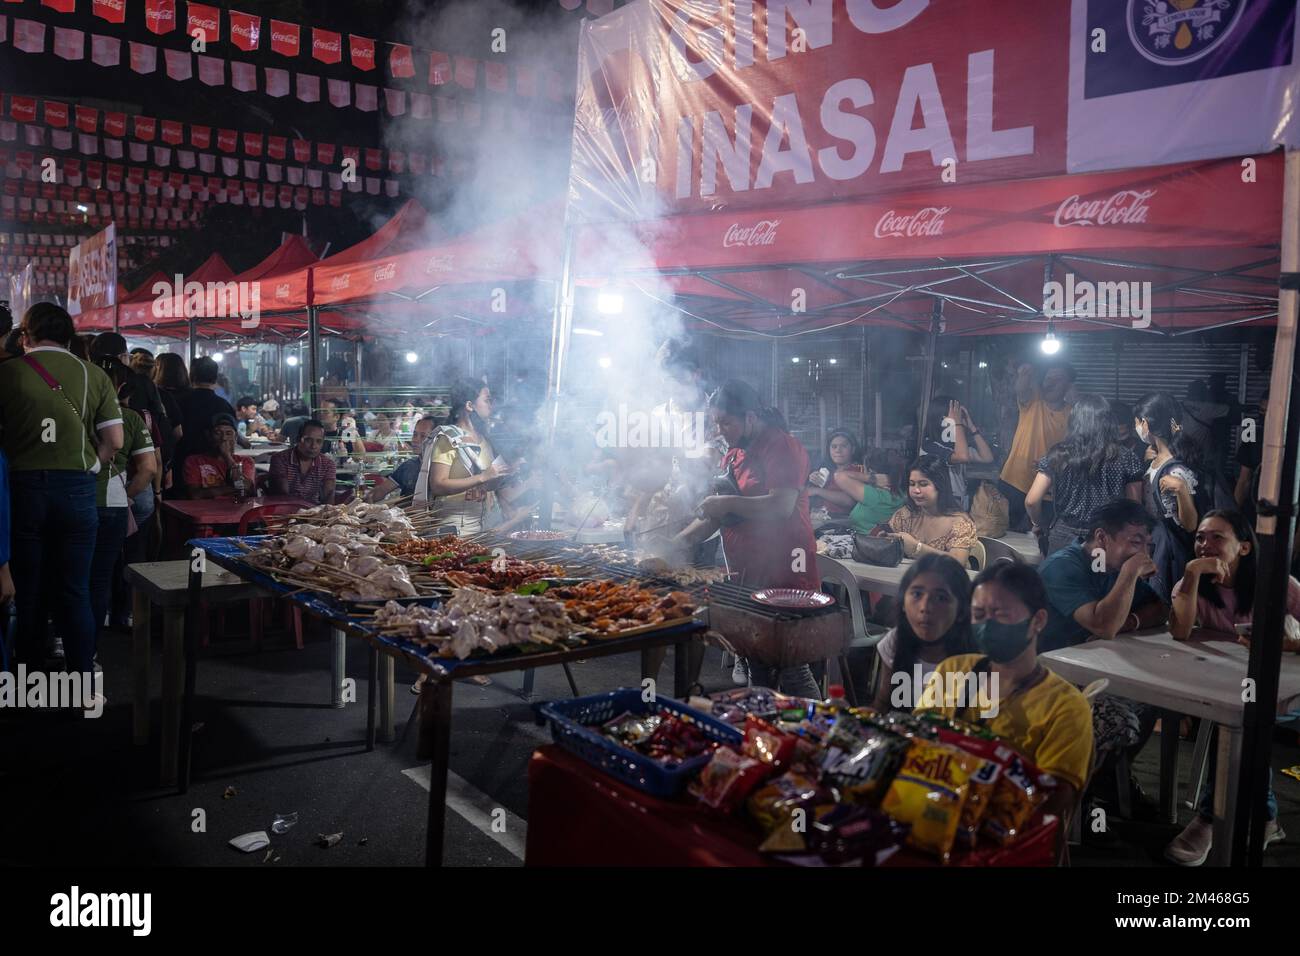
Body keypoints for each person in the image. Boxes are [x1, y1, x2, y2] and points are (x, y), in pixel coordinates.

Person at [918, 562, 1094, 845]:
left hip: (1000, 840)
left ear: (1038, 620)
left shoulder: (1065, 707)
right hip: (931, 818)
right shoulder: (952, 671)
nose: (987, 625)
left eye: (1000, 614)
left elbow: (1053, 799)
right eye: (978, 615)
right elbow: (918, 739)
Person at [672, 380, 820, 698]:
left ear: (750, 417)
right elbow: (715, 516)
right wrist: (673, 544)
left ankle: (820, 734)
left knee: (791, 664)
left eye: (726, 422)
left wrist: (725, 503)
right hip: (747, 573)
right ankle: (764, 732)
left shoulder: (782, 446)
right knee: (756, 660)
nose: (720, 430)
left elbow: (781, 506)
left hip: (786, 569)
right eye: (716, 423)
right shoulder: (735, 455)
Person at [1163, 509, 1293, 864]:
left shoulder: (1276, 582)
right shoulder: (1194, 583)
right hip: (1224, 683)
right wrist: (1190, 574)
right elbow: (1179, 631)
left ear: (1245, 548)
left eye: (1218, 537)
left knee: (1241, 725)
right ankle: (1264, 818)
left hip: (1282, 687)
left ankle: (1209, 818)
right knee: (1238, 720)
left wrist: (1281, 643)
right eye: (1201, 537)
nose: (1205, 545)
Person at [0, 303, 123, 676]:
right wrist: (95, 464)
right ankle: (81, 680)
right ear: (69, 336)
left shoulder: (7, 373)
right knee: (75, 592)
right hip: (77, 490)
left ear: (26, 335)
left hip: (23, 491)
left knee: (28, 591)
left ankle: (30, 679)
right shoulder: (92, 375)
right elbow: (114, 439)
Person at [1026, 393, 1145, 557]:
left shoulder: (1059, 454)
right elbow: (1134, 507)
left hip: (1063, 537)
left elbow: (1032, 500)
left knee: (1061, 580)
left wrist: (1040, 523)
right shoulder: (1126, 457)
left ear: (1074, 422)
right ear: (1109, 422)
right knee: (1096, 580)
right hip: (1104, 539)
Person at [871, 553, 974, 711]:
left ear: (961, 610)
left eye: (941, 598)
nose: (925, 607)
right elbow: (884, 704)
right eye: (917, 594)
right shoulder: (896, 640)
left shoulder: (976, 656)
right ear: (903, 603)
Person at [88, 404, 155, 645]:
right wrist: (126, 494)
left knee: (69, 577)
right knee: (100, 578)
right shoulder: (130, 417)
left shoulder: (74, 408)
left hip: (69, 500)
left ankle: (60, 639)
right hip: (112, 504)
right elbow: (149, 468)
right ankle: (89, 649)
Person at [1135, 392, 1209, 602]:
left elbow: (1190, 524)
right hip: (1156, 542)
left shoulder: (1176, 470)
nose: (1136, 428)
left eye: (1137, 423)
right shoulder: (1155, 457)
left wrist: (1182, 491)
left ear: (1146, 425)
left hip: (1169, 548)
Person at [417, 379, 513, 534]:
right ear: (469, 406)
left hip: (482, 523)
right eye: (487, 400)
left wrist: (500, 475)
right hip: (453, 526)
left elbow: (487, 485)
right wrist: (482, 477)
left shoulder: (484, 440)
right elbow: (437, 485)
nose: (491, 405)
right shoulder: (448, 438)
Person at [999, 362, 1075, 532]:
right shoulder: (1033, 402)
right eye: (1048, 378)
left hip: (1049, 488)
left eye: (1058, 379)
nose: (1051, 382)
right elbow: (1021, 389)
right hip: (1015, 482)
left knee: (1041, 537)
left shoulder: (1073, 414)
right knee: (1007, 534)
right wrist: (1024, 373)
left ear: (1068, 386)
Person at [886, 456, 979, 567]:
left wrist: (917, 548)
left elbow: (957, 562)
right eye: (912, 484)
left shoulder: (960, 523)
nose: (916, 490)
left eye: (923, 484)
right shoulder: (904, 516)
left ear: (940, 486)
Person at [921, 395, 994, 511]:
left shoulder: (957, 446)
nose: (958, 418)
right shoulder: (929, 446)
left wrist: (971, 426)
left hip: (958, 502)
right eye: (956, 415)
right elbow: (963, 457)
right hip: (941, 504)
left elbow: (987, 457)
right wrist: (958, 423)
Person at [173, 356, 236, 490]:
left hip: (180, 462)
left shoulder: (177, 401)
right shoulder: (224, 405)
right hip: (215, 469)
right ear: (215, 377)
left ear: (192, 376)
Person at [183, 414, 256, 499]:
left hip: (238, 509)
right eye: (218, 433)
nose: (224, 438)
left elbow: (247, 488)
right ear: (209, 436)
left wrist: (227, 457)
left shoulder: (246, 461)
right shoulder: (194, 461)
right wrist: (235, 488)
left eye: (228, 433)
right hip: (206, 510)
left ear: (235, 437)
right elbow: (195, 495)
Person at [836, 447, 906, 534]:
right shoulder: (900, 493)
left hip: (866, 543)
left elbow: (839, 476)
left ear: (871, 471)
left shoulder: (876, 495)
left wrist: (871, 478)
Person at [368, 415, 435, 501]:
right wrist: (369, 498)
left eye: (423, 436)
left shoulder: (439, 470)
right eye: (415, 434)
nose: (415, 440)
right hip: (402, 513)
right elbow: (383, 490)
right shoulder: (409, 465)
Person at [268, 420, 337, 505]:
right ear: (298, 439)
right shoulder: (280, 460)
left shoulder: (327, 464)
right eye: (308, 440)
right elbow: (283, 496)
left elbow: (329, 497)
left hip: (313, 513)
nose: (313, 446)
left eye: (319, 441)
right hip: (282, 511)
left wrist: (326, 515)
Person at [806, 429, 864, 518]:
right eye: (834, 446)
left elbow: (849, 501)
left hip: (843, 522)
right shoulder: (827, 470)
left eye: (843, 446)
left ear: (853, 449)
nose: (838, 450)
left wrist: (818, 491)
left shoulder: (858, 471)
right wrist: (813, 482)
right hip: (821, 518)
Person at [151, 352, 188, 486]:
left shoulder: (158, 396)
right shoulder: (191, 394)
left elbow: (177, 433)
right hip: (188, 454)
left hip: (163, 457)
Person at [1233, 388, 1268, 521]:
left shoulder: (1293, 442)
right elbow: (1243, 481)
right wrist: (1233, 516)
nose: (1263, 415)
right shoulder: (1252, 436)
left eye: (1268, 411)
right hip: (1254, 508)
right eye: (1261, 411)